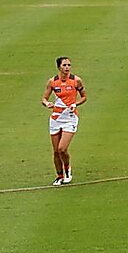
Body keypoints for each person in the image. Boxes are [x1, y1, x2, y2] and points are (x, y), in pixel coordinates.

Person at [41, 56, 86, 185]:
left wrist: (75, 104)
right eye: (64, 65)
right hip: (56, 119)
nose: (67, 68)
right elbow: (44, 98)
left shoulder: (76, 81)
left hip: (70, 118)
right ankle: (59, 176)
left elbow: (84, 97)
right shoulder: (53, 82)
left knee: (62, 149)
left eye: (69, 65)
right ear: (59, 67)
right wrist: (47, 103)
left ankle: (67, 170)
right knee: (55, 151)